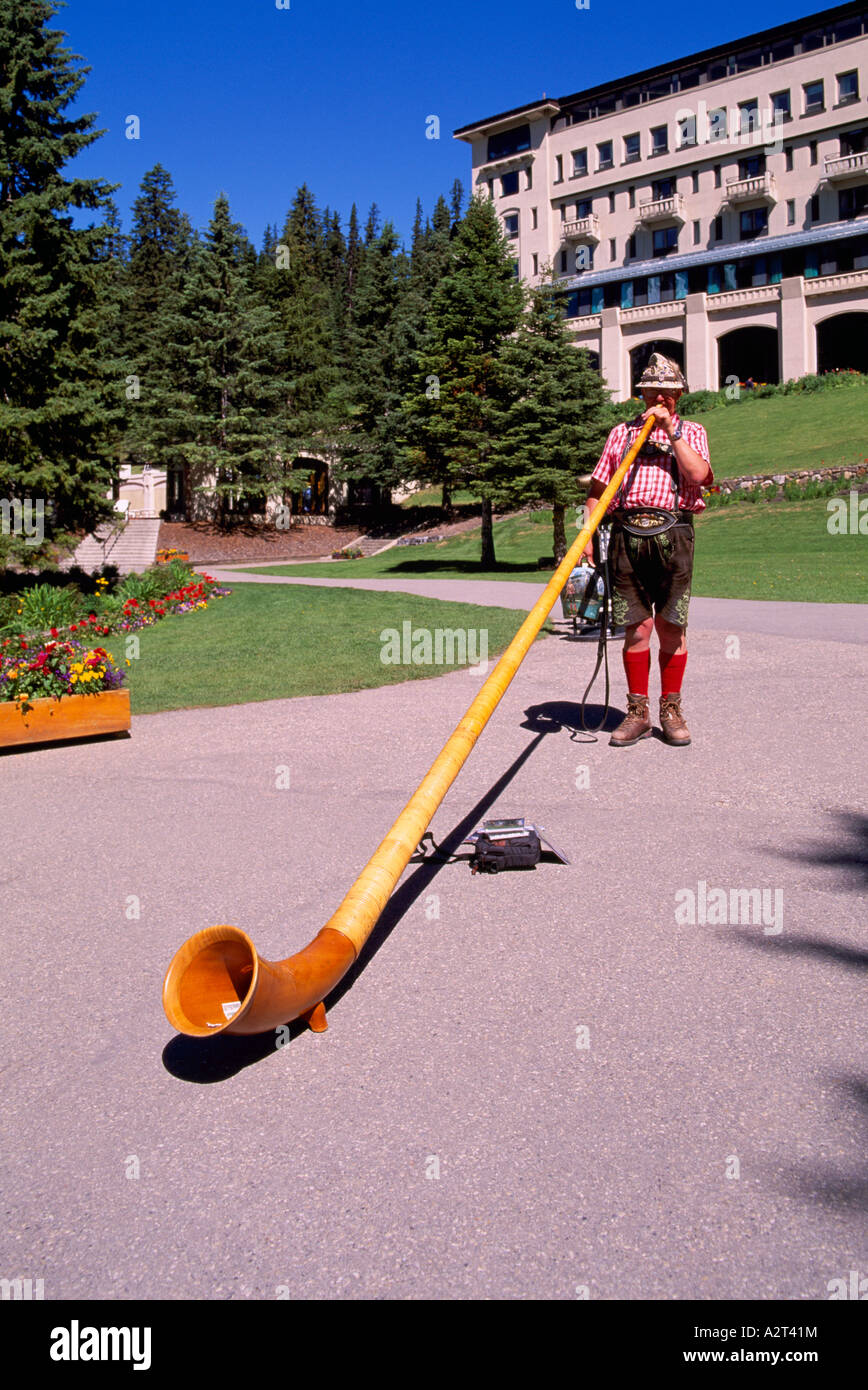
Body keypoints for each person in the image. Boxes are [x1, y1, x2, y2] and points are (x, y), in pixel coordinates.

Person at [581, 353, 713, 747]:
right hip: (626, 537)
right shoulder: (620, 434)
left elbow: (697, 476)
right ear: (642, 394)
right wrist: (588, 533)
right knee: (636, 627)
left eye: (669, 392)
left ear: (680, 396)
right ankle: (636, 712)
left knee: (671, 626)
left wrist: (671, 432)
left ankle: (670, 710)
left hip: (675, 536)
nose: (661, 398)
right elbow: (598, 490)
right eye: (654, 391)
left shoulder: (692, 431)